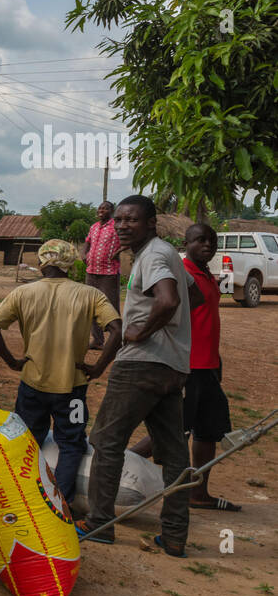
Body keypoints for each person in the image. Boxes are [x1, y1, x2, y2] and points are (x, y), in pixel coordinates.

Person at [74, 194, 197, 557]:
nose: (124, 226)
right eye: (120, 221)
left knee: (106, 441)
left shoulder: (155, 254)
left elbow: (168, 300)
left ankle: (99, 524)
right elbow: (193, 299)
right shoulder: (166, 254)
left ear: (151, 224)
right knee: (173, 452)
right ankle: (175, 536)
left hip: (143, 364)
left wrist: (140, 333)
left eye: (132, 220)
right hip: (173, 367)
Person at [0, 239, 122, 504]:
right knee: (72, 443)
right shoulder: (91, 294)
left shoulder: (23, 293)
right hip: (73, 388)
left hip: (31, 385)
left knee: (27, 442)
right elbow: (116, 330)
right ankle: (61, 503)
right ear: (71, 263)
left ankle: (25, 499)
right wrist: (99, 366)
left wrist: (12, 361)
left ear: (41, 261)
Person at [130, 224, 240, 512]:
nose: (207, 245)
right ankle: (117, 468)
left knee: (208, 431)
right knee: (172, 431)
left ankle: (198, 492)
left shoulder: (207, 275)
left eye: (212, 241)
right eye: (200, 240)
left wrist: (217, 360)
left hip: (209, 366)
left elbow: (207, 321)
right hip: (187, 366)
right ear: (185, 242)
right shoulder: (182, 273)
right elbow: (162, 310)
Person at [83, 201, 122, 349]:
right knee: (91, 305)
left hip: (109, 272)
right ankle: (98, 340)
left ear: (112, 211)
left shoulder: (117, 226)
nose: (101, 210)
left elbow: (127, 242)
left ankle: (117, 340)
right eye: (100, 208)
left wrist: (117, 253)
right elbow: (87, 242)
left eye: (105, 208)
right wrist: (83, 253)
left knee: (111, 307)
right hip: (91, 271)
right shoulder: (93, 227)